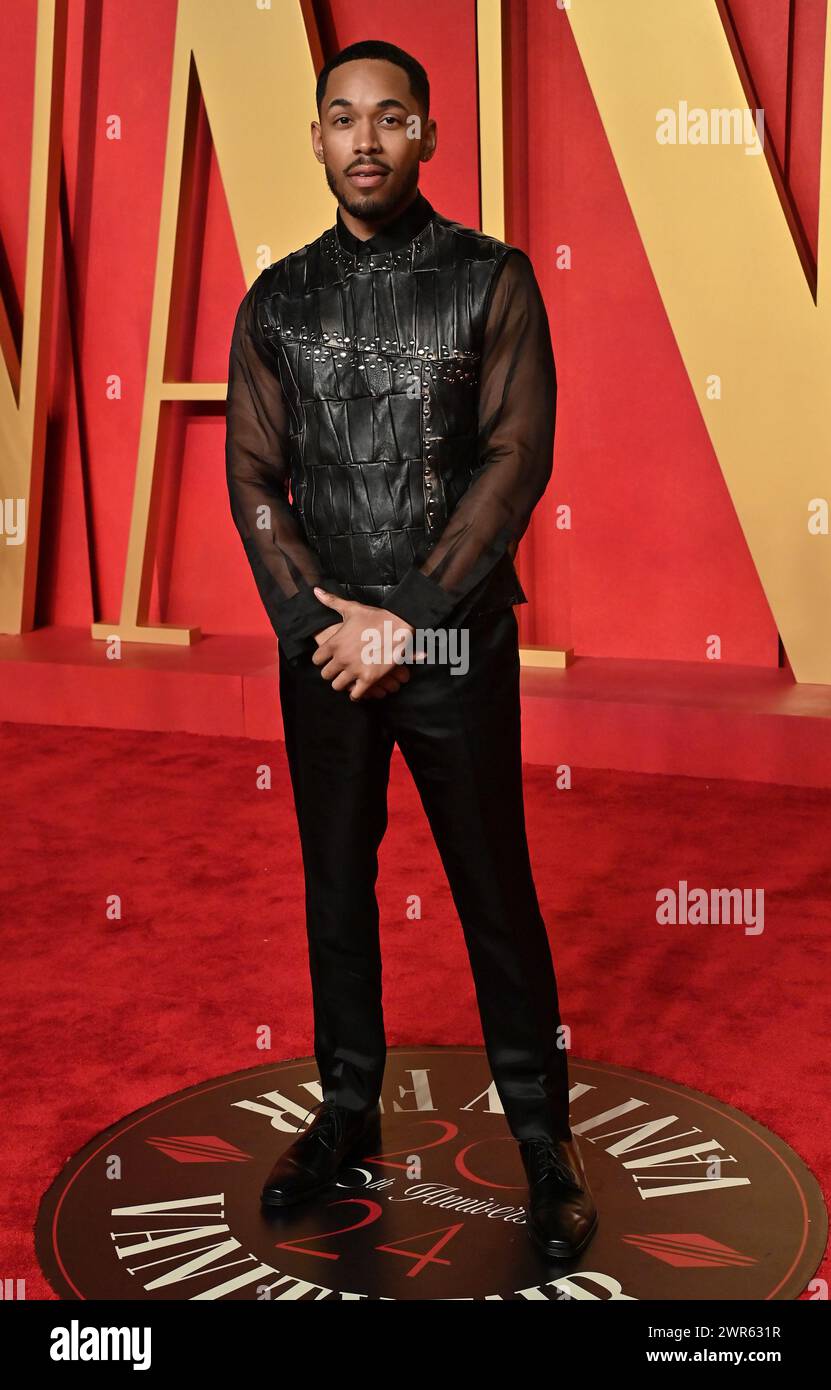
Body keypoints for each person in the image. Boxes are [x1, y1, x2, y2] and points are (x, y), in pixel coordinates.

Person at [225, 38, 597, 1260]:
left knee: (495, 886)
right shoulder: (275, 301)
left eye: (392, 118)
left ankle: (542, 1141)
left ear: (428, 135)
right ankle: (344, 1117)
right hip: (324, 643)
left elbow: (513, 463)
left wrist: (413, 616)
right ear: (319, 138)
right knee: (336, 885)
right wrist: (318, 621)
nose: (366, 139)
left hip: (452, 641)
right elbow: (254, 478)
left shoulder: (494, 280)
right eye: (343, 118)